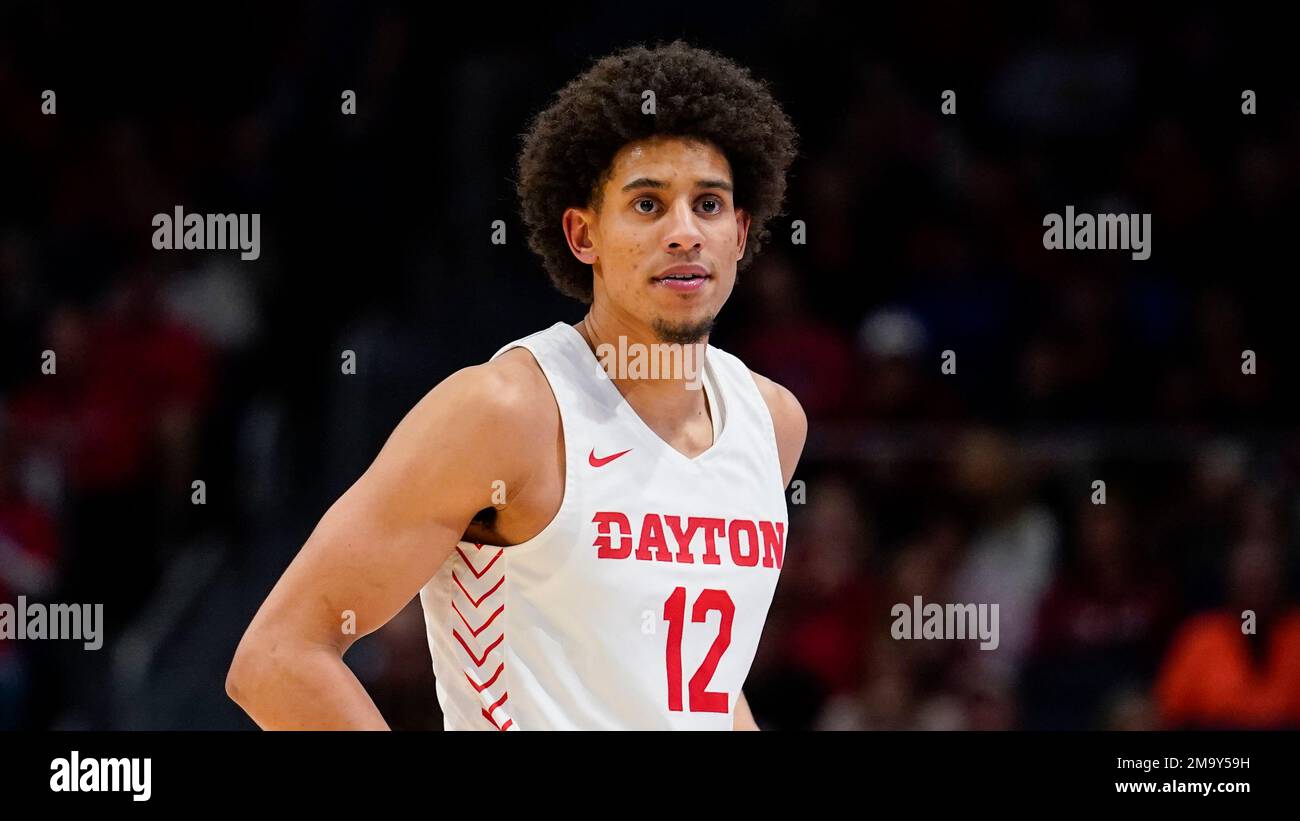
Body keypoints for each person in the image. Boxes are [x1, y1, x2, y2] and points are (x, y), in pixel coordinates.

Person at [226, 40, 805, 729]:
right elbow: (277, 657)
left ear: (739, 232)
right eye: (648, 204)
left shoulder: (772, 422)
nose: (684, 233)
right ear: (583, 234)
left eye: (708, 204)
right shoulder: (504, 413)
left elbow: (693, 690)